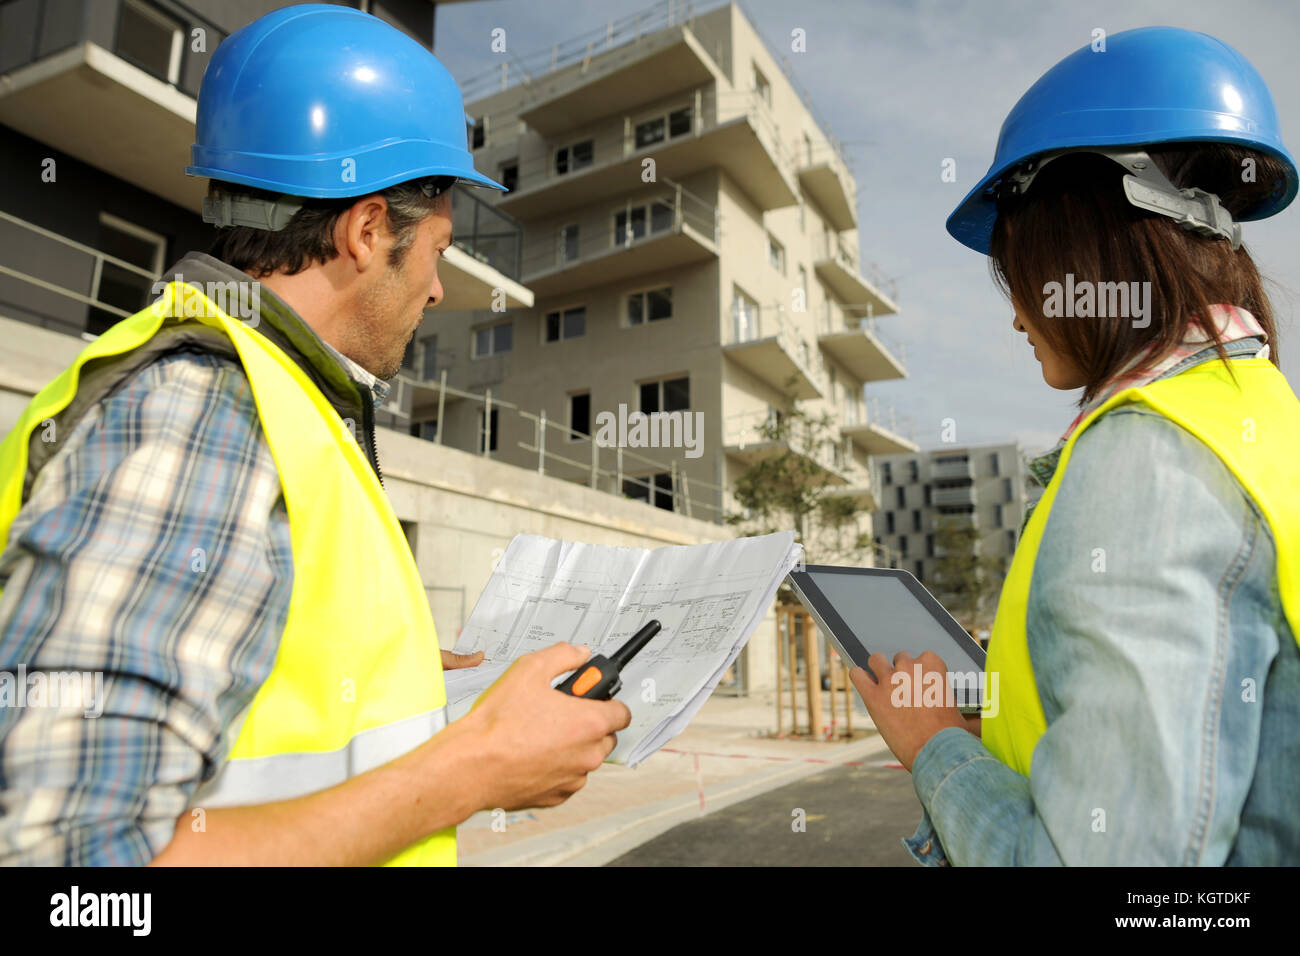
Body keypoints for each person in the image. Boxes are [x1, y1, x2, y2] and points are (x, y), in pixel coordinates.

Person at [0, 4, 629, 866]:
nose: (439, 291)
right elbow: (67, 865)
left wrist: (387, 666)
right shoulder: (199, 414)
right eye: (437, 251)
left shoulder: (271, 401)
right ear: (367, 232)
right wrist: (474, 768)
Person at [850, 26, 1300, 865]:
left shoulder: (1148, 462)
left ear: (1078, 244)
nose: (1018, 315)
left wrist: (934, 746)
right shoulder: (1256, 416)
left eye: (1017, 272)